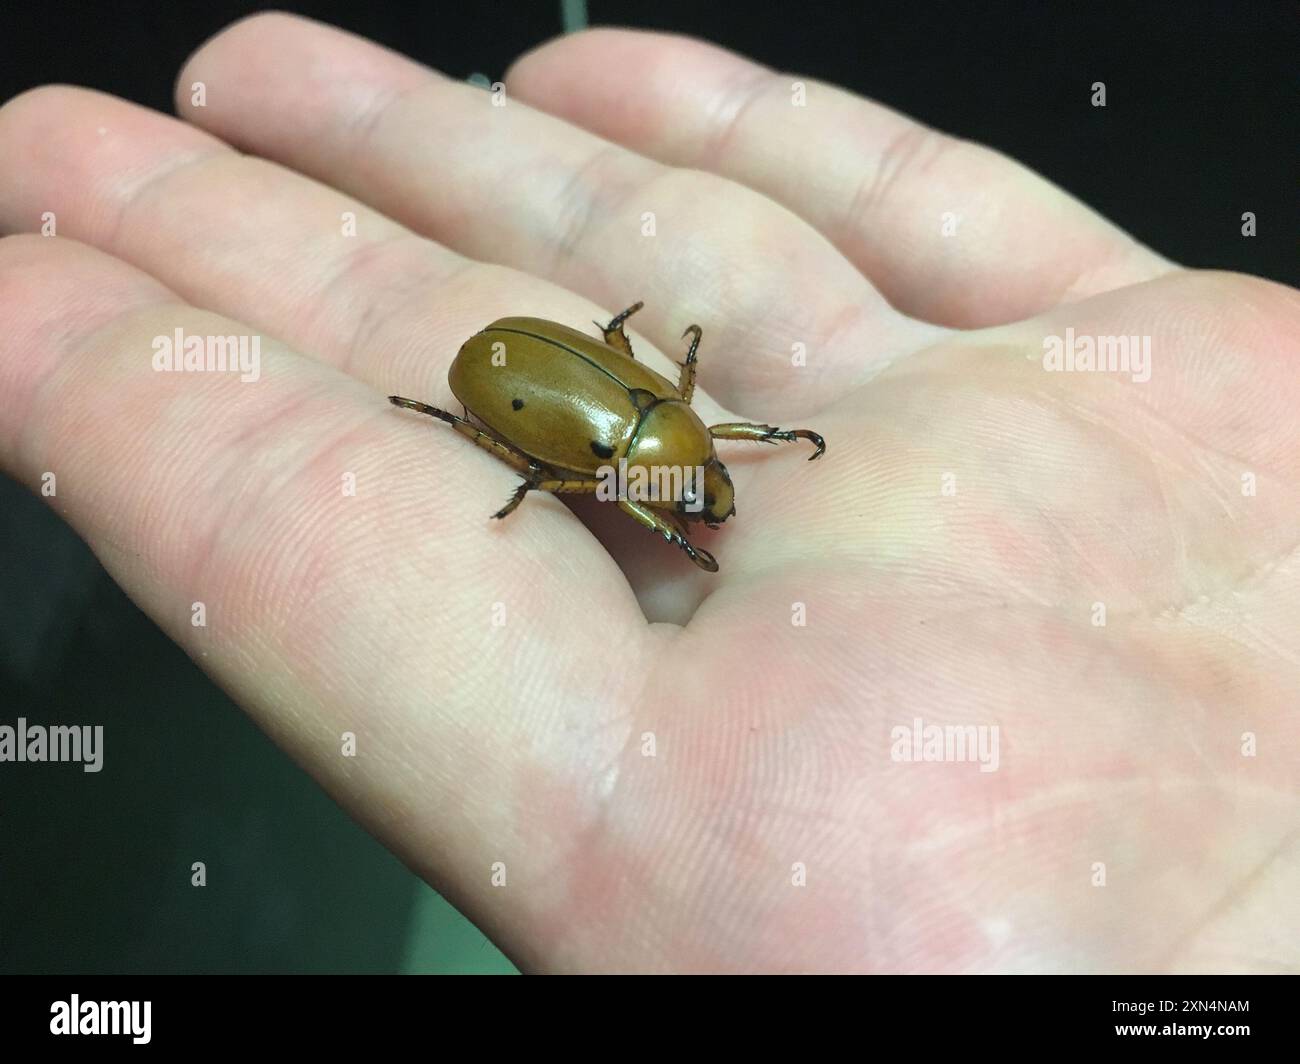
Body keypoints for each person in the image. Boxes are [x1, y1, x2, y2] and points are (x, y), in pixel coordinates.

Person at [0, 13, 1294, 973]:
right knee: (534, 463)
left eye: (693, 493)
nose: (696, 507)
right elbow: (586, 465)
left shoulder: (666, 433)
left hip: (582, 384)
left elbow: (673, 458)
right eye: (689, 497)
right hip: (530, 383)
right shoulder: (612, 452)